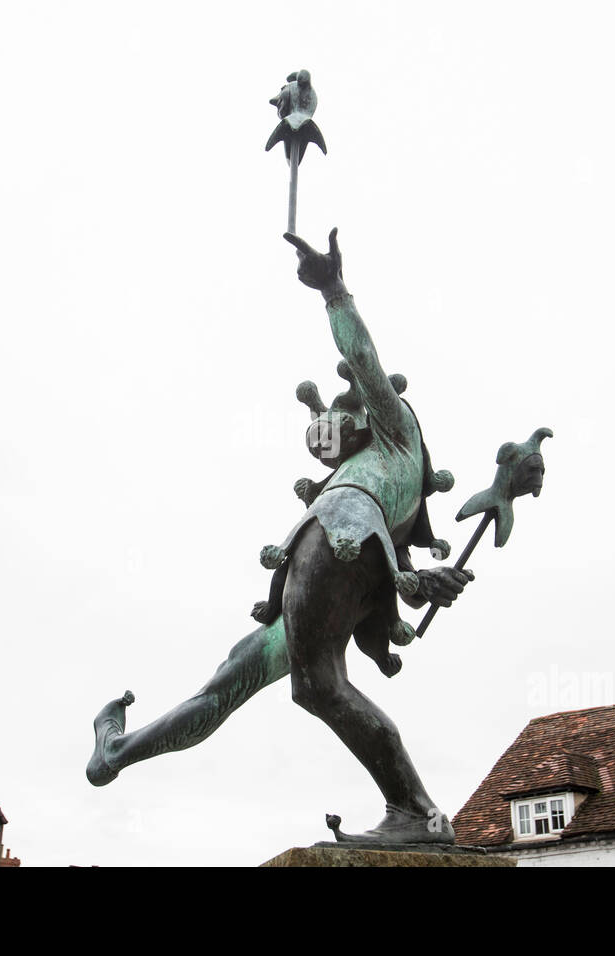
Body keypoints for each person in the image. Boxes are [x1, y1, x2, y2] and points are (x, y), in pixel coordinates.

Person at [87, 229, 471, 844]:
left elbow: (367, 360)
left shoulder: (397, 431)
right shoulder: (364, 469)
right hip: (330, 568)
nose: (336, 423)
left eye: (350, 413)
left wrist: (335, 293)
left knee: (317, 686)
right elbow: (390, 574)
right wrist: (418, 583)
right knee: (225, 687)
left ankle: (416, 811)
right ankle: (117, 753)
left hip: (334, 545)